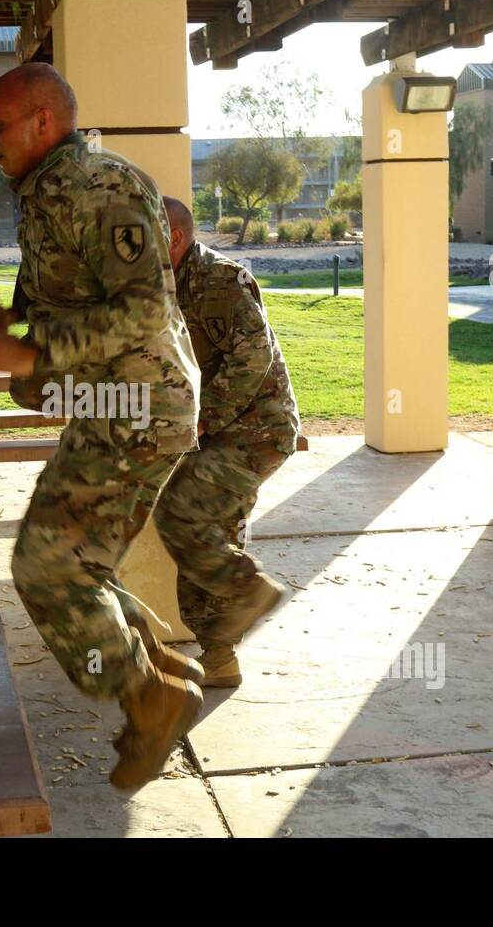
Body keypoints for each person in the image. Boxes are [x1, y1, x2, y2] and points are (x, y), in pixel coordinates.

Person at [0, 63, 203, 793]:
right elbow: (62, 288)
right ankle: (158, 674)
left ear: (44, 122)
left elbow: (145, 310)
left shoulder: (102, 185)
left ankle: (154, 696)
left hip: (139, 407)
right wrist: (7, 318)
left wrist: (34, 352)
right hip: (110, 407)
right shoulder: (44, 192)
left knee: (48, 566)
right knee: (70, 562)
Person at [153, 197, 300, 686]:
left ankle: (248, 590)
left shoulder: (223, 280)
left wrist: (197, 420)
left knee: (180, 513)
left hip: (257, 427)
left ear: (174, 237)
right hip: (212, 430)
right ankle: (219, 656)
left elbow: (251, 360)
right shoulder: (157, 286)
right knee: (207, 528)